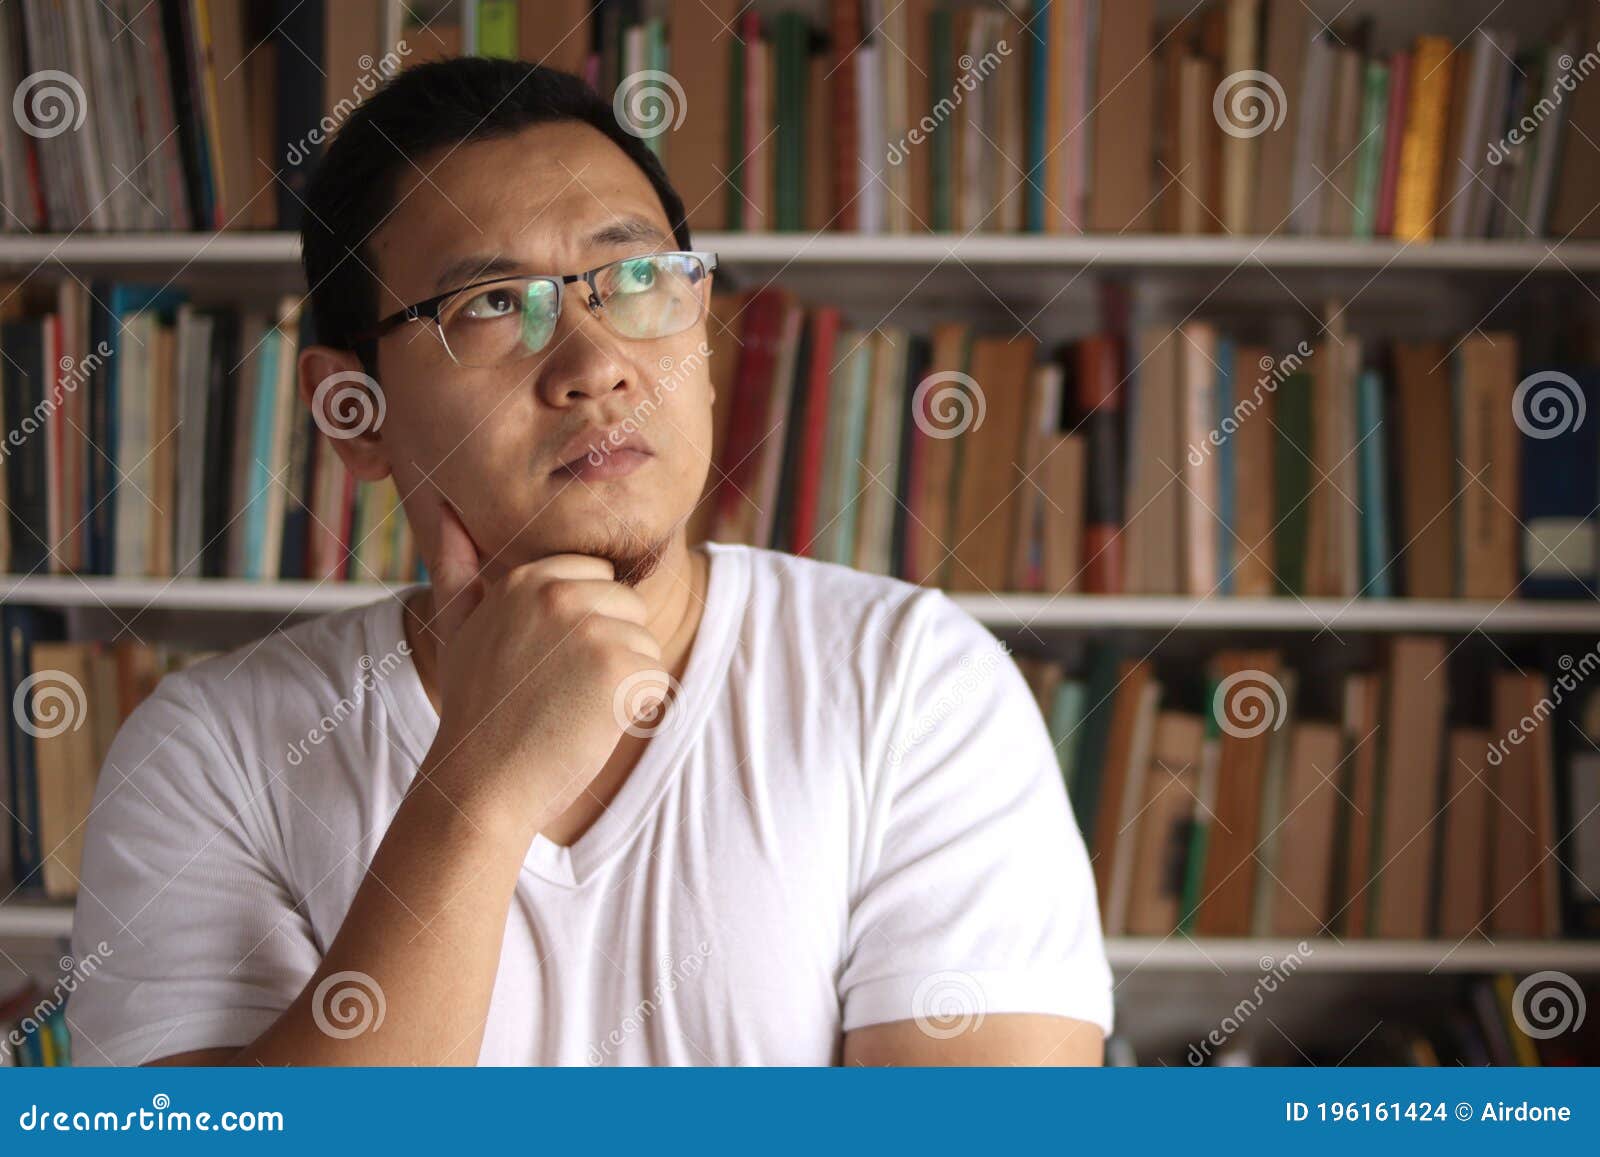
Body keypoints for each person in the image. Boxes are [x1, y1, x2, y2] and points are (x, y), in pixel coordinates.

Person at [68, 58, 1111, 1066]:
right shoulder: (213, 751)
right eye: (488, 304)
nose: (595, 364)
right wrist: (476, 786)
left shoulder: (908, 680)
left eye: (639, 279)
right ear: (354, 415)